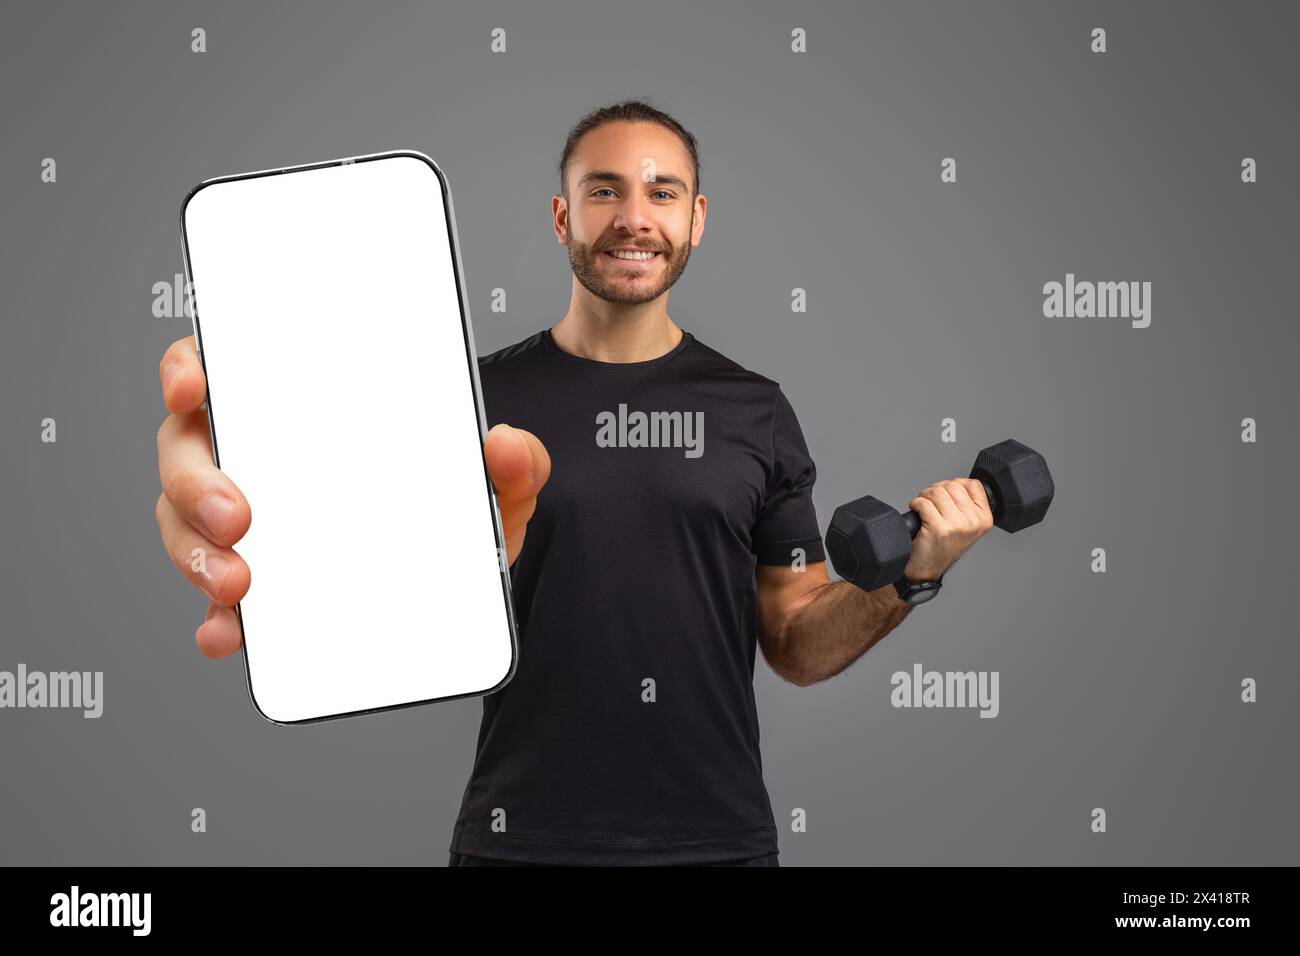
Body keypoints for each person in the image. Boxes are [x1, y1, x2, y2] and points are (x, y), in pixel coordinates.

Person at [155, 99, 994, 867]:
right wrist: (255, 486)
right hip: (517, 839)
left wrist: (911, 577)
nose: (635, 218)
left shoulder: (755, 410)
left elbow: (797, 647)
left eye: (663, 193)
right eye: (604, 192)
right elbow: (354, 552)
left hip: (716, 843)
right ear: (563, 216)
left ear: (697, 220)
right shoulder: (467, 401)